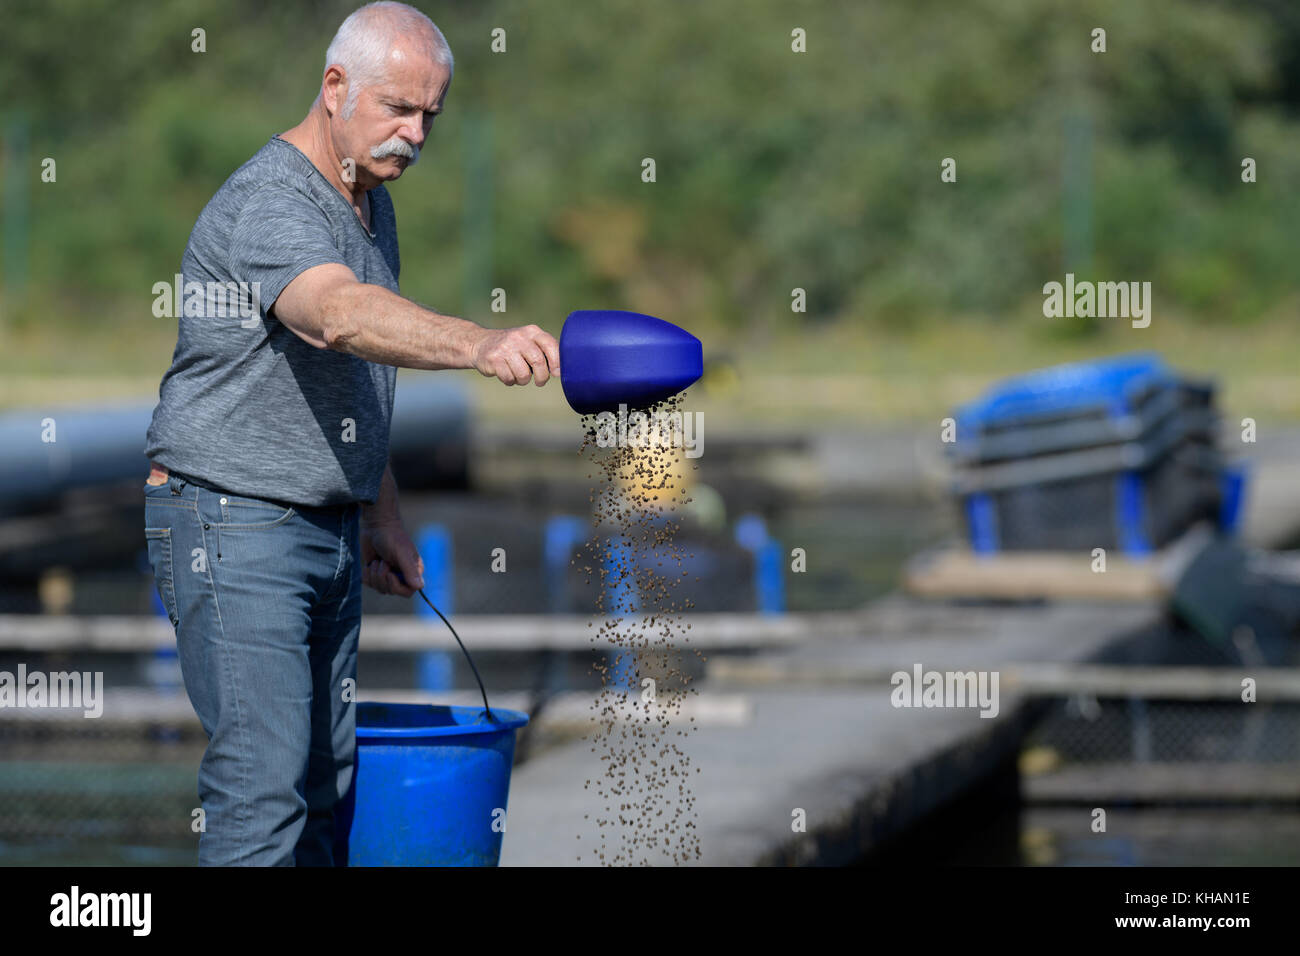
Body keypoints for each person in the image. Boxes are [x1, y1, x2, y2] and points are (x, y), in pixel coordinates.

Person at [142, 1, 558, 866]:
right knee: (261, 794)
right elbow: (335, 317)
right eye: (397, 108)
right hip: (233, 520)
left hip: (326, 521)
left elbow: (354, 381)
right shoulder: (270, 200)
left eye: (429, 117)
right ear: (334, 87)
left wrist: (381, 514)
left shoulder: (369, 201)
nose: (413, 134)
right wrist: (478, 344)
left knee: (329, 786)